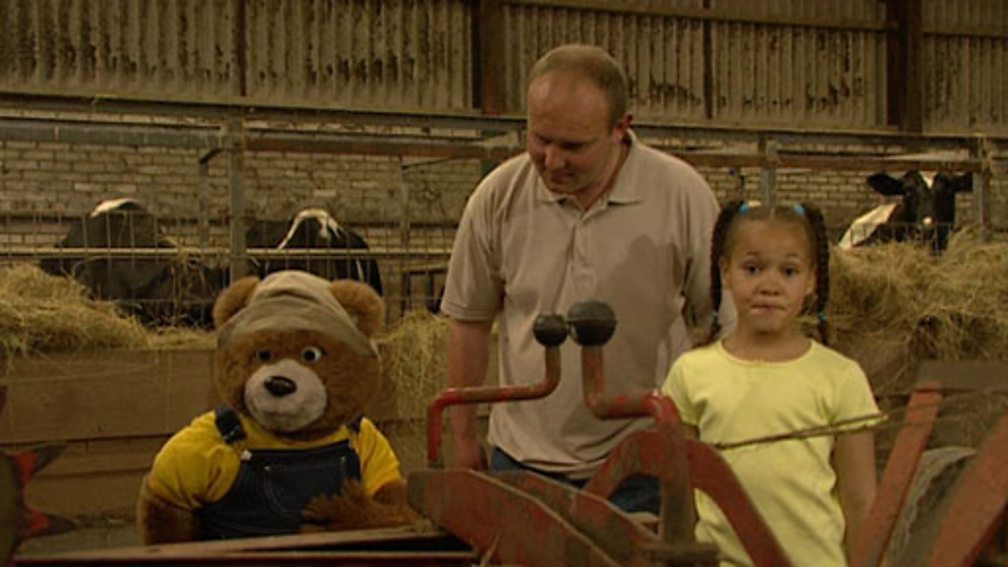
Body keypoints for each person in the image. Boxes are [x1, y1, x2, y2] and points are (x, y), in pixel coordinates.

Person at [439, 43, 730, 514]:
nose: (552, 161)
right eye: (539, 139)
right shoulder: (498, 197)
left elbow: (720, 322)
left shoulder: (682, 195)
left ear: (621, 128)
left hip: (644, 458)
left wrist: (711, 435)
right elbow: (469, 321)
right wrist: (464, 438)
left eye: (573, 146)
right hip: (523, 460)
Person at [661, 201, 880, 565]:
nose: (770, 285)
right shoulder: (691, 373)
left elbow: (860, 499)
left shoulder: (840, 377)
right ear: (725, 272)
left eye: (789, 271)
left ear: (812, 280)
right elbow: (679, 496)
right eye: (752, 268)